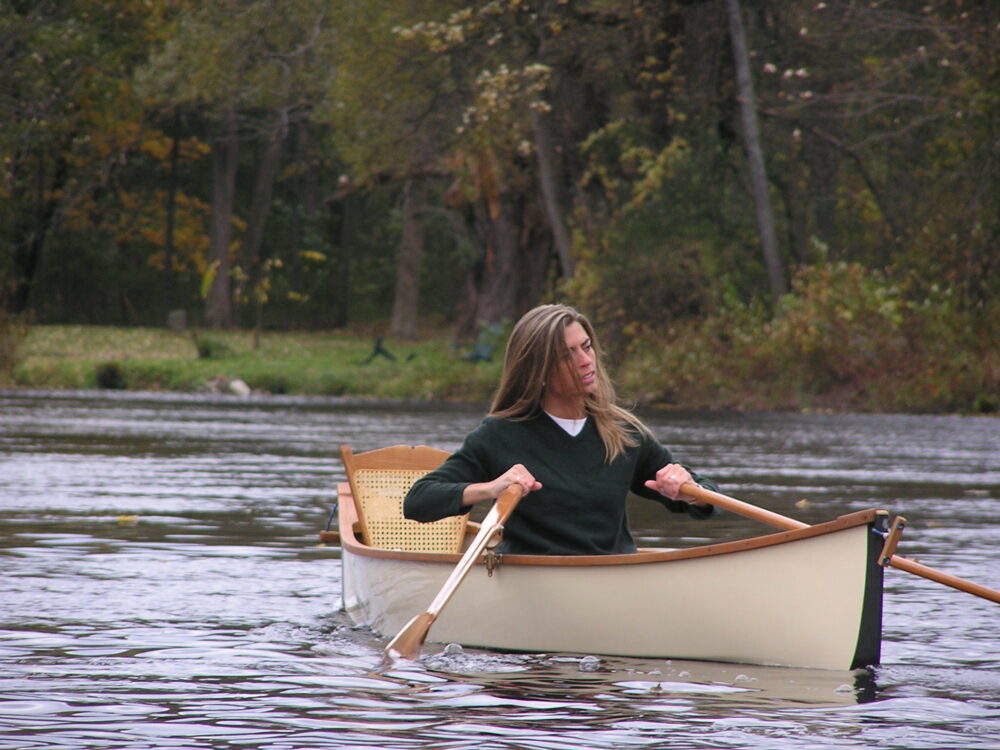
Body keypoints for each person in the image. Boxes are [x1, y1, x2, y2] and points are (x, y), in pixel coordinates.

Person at [404, 304, 719, 555]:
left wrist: (690, 490)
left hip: (613, 579)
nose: (585, 361)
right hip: (535, 584)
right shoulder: (500, 435)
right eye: (567, 355)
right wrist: (491, 488)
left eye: (586, 347)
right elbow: (418, 501)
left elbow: (709, 499)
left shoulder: (624, 432)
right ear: (538, 371)